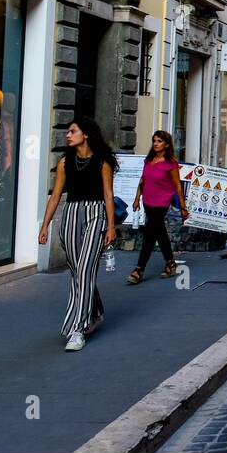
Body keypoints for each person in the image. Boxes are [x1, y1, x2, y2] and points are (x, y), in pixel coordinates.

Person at [38, 117, 118, 352]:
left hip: (96, 214)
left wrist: (111, 227)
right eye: (68, 131)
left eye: (73, 131)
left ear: (86, 135)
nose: (68, 135)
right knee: (77, 271)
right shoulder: (65, 162)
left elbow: (108, 195)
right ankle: (96, 312)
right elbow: (55, 196)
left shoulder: (103, 162)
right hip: (71, 215)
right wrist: (45, 226)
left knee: (84, 270)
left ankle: (78, 328)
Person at [128, 131, 189, 285]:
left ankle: (139, 269)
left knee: (150, 232)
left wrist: (183, 207)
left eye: (159, 141)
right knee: (159, 232)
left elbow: (177, 186)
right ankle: (170, 262)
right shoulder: (149, 160)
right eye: (154, 140)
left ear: (166, 144)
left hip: (162, 201)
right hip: (147, 200)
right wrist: (136, 198)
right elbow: (143, 180)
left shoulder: (171, 163)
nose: (155, 143)